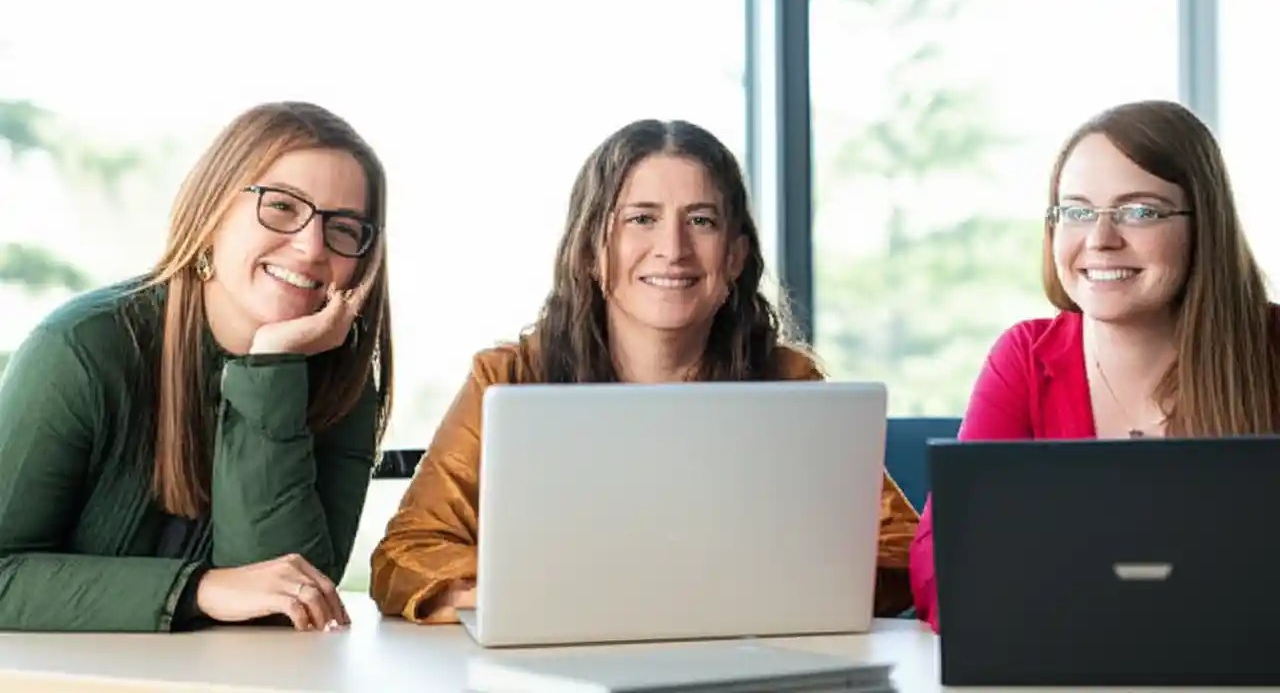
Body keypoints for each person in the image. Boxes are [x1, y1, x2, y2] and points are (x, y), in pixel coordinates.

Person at [370, 118, 918, 624]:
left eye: (701, 221)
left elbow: (902, 550)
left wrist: (741, 589)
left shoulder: (788, 384)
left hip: (740, 659)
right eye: (642, 219)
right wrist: (549, 594)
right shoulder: (511, 379)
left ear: (734, 256)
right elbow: (405, 555)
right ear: (590, 248)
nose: (673, 249)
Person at [0, 101, 395, 633]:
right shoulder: (80, 350)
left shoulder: (339, 379)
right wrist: (198, 589)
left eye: (344, 228)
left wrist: (271, 366)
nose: (310, 247)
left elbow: (290, 606)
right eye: (281, 207)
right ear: (212, 212)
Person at [908, 99, 1280, 632]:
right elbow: (942, 570)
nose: (1101, 239)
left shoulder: (1270, 351)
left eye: (1140, 211)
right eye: (1077, 211)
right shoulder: (1024, 359)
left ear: (1206, 225)